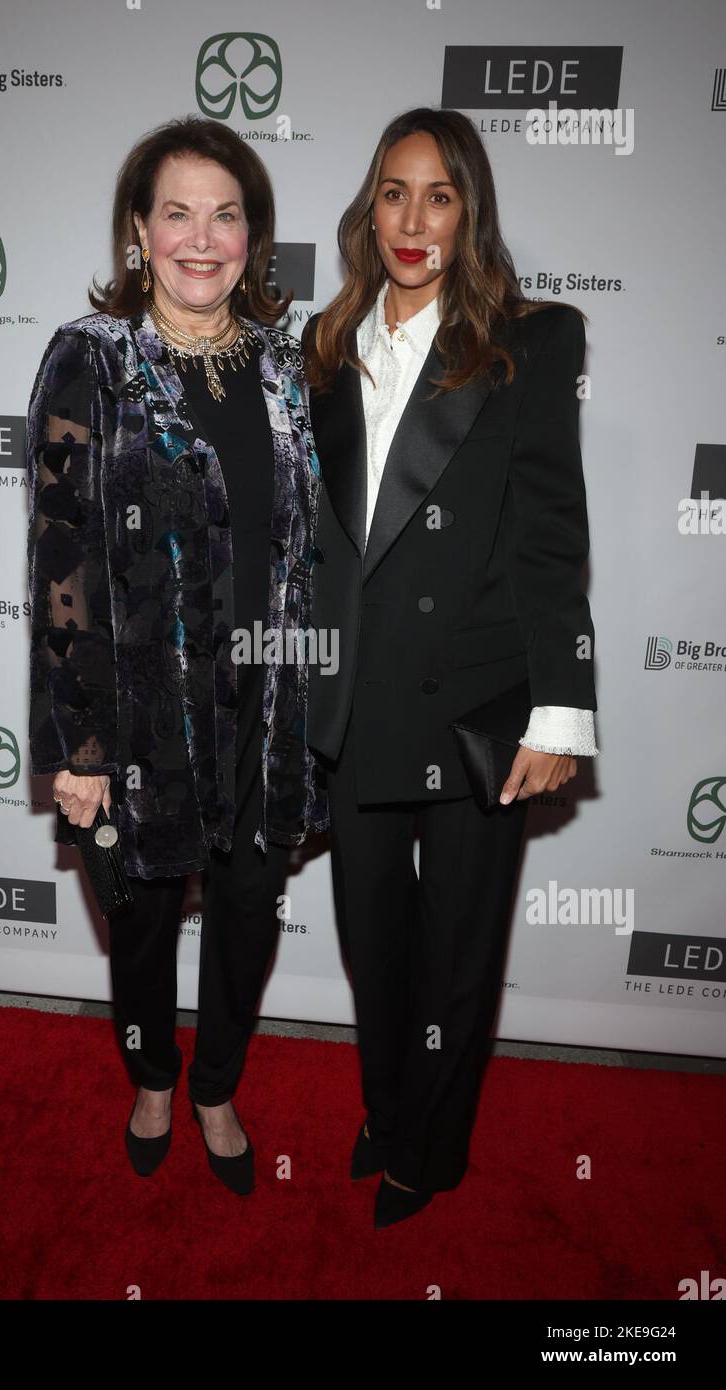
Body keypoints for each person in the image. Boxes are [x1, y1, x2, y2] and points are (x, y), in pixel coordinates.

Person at [302, 107, 599, 1228]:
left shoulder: (532, 339)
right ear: (367, 207)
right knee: (372, 939)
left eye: (439, 195)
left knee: (459, 952)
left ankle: (434, 1145)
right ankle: (388, 1107)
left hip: (479, 699)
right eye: (393, 192)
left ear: (469, 210)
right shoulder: (326, 348)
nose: (413, 220)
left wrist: (560, 709)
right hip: (359, 699)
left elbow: (550, 535)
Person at [25, 115, 327, 1196]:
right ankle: (155, 1074)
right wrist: (81, 742)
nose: (204, 238)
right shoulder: (91, 360)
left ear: (255, 235)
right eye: (178, 213)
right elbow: (61, 556)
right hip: (142, 714)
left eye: (228, 214)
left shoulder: (288, 370)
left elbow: (313, 546)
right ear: (138, 233)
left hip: (264, 706)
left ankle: (217, 1086)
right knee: (145, 924)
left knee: (248, 915)